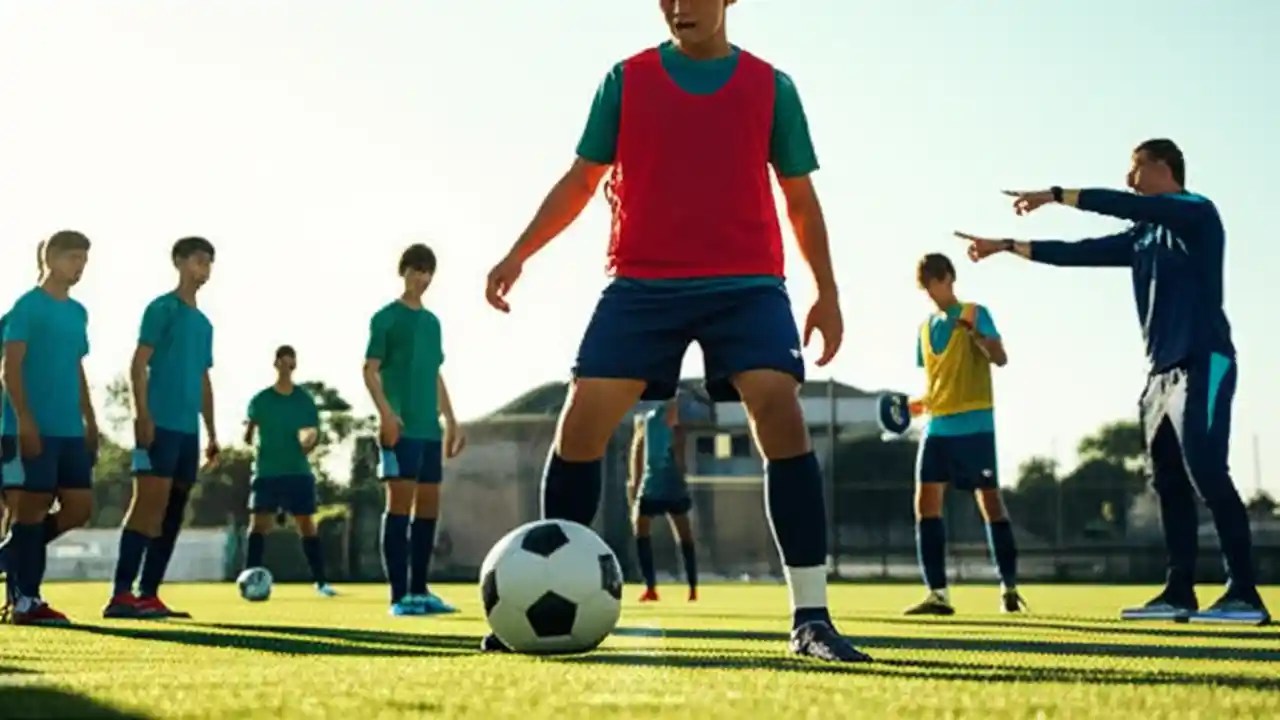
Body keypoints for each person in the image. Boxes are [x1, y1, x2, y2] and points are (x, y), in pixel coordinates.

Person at [482, 0, 868, 661]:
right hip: (642, 284)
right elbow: (581, 181)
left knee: (779, 408)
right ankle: (542, 595)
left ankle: (811, 620)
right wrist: (519, 253)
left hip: (746, 285)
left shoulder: (771, 87)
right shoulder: (625, 80)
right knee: (581, 420)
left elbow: (800, 200)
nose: (680, 8)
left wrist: (827, 292)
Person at [956, 138, 1270, 625]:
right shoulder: (1143, 235)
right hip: (1159, 376)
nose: (1129, 179)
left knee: (1207, 471)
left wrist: (1054, 195)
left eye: (1135, 168)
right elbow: (1077, 253)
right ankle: (1179, 592)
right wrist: (1007, 246)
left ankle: (1244, 594)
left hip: (1203, 360)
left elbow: (1122, 203)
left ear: (1162, 167)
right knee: (1168, 484)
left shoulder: (1196, 212)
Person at [104, 237, 219, 620]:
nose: (204, 268)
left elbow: (203, 379)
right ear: (179, 262)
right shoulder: (161, 309)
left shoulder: (204, 323)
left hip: (188, 432)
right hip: (159, 424)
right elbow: (138, 364)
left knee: (173, 512)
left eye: (209, 262)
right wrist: (142, 415)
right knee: (147, 506)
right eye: (198, 260)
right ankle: (121, 595)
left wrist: (211, 432)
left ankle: (149, 594)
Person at [903, 253, 1025, 616]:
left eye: (935, 283)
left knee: (990, 503)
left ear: (949, 279)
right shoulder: (925, 328)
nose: (931, 292)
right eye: (925, 286)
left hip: (975, 426)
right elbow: (937, 382)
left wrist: (978, 336)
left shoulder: (974, 312)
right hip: (937, 428)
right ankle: (937, 594)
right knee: (925, 506)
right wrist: (915, 406)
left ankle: (1009, 588)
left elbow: (1000, 358)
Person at [363, 243, 465, 617]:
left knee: (428, 507)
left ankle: (420, 590)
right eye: (415, 269)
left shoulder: (433, 323)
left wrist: (451, 420)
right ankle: (399, 596)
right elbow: (369, 370)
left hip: (429, 430)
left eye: (427, 271)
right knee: (399, 506)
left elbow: (434, 374)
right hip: (401, 429)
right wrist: (387, 415)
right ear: (402, 271)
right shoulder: (386, 318)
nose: (421, 277)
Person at [1, 231, 98, 625]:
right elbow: (9, 368)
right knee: (32, 511)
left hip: (69, 430)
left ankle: (9, 555)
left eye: (84, 260)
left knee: (79, 507)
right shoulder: (27, 307)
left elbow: (76, 367)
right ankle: (26, 601)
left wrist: (90, 418)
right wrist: (25, 420)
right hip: (31, 428)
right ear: (51, 258)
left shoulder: (78, 313)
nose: (80, 267)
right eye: (73, 258)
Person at [242, 345, 336, 597]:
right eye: (282, 362)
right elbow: (248, 435)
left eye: (290, 362)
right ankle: (250, 578)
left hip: (297, 471)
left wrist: (309, 441)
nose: (286, 367)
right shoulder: (260, 400)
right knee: (259, 525)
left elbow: (312, 434)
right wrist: (252, 435)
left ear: (294, 365)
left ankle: (321, 582)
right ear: (275, 364)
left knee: (306, 524)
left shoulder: (304, 400)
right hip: (267, 471)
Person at [629, 398, 698, 602]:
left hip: (661, 481)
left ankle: (656, 587)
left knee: (673, 531)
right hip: (663, 482)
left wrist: (635, 488)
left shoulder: (656, 420)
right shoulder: (650, 423)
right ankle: (686, 588)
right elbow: (639, 457)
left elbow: (638, 459)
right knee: (680, 532)